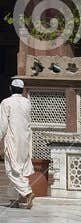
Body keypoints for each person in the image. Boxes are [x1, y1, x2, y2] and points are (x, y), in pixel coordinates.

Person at [2, 78, 33, 209]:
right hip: (25, 139)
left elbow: (2, 125)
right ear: (22, 90)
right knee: (19, 168)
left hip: (13, 139)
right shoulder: (27, 102)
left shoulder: (6, 102)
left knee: (11, 169)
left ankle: (27, 192)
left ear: (10, 88)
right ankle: (18, 199)